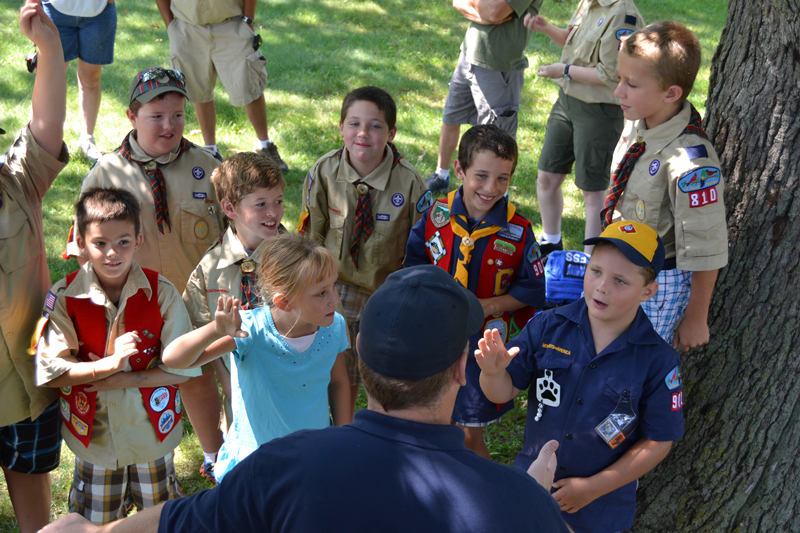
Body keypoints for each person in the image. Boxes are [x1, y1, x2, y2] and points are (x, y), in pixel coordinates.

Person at [42, 265, 571, 533]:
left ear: (358, 352)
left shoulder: (285, 467)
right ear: (462, 368)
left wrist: (94, 529)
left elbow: (184, 521)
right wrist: (530, 500)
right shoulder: (520, 505)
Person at [63, 67, 229, 476]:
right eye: (157, 116)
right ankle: (143, 461)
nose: (169, 125)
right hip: (141, 301)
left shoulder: (206, 166)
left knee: (203, 375)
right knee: (149, 379)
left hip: (201, 297)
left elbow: (232, 231)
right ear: (131, 117)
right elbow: (86, 246)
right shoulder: (106, 173)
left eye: (178, 115)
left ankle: (216, 454)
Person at [477, 221, 684, 533]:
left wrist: (594, 488)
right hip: (532, 482)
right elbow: (501, 393)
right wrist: (492, 373)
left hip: (599, 507)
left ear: (648, 291)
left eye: (620, 281)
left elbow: (658, 442)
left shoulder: (659, 360)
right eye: (595, 271)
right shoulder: (547, 325)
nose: (601, 286)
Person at [35, 188, 200, 524]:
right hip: (95, 441)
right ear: (80, 242)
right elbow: (51, 370)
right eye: (100, 243)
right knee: (95, 522)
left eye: (124, 242)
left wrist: (122, 378)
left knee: (159, 520)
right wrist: (106, 365)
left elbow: (183, 369)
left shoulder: (161, 293)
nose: (113, 253)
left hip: (151, 436)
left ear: (139, 239)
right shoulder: (63, 297)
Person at [162, 232, 351, 482]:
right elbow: (174, 359)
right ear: (284, 302)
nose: (334, 300)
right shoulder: (249, 330)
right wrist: (215, 330)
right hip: (253, 466)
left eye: (333, 286)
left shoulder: (334, 326)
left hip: (311, 460)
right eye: (321, 293)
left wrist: (342, 440)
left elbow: (338, 382)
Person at [405, 124, 546, 458]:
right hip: (435, 337)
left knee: (468, 433)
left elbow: (533, 289)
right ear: (459, 169)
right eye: (481, 175)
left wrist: (487, 306)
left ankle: (477, 491)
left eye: (502, 178)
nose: (491, 187)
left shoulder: (518, 232)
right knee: (432, 422)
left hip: (481, 346)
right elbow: (413, 265)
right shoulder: (435, 217)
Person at [297, 86, 429, 414]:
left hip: (386, 292)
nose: (363, 134)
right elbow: (310, 239)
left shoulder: (410, 184)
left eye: (375, 126)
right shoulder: (323, 173)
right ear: (340, 127)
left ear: (392, 133)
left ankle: (376, 425)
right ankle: (338, 426)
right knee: (336, 369)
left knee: (381, 374)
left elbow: (422, 251)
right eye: (354, 124)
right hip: (333, 288)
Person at [604, 21, 728, 350]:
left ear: (670, 93)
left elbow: (706, 247)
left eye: (631, 84)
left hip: (658, 284)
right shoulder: (639, 123)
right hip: (622, 261)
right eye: (620, 79)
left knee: (637, 369)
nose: (619, 92)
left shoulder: (690, 164)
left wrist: (696, 318)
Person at [0, 3, 67, 532]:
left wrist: (47, 44)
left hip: (28, 389)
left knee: (37, 524)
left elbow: (46, 121)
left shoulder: (17, 183)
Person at [181, 151, 287, 483]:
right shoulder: (207, 272)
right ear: (229, 209)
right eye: (260, 204)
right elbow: (201, 340)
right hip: (239, 402)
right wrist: (231, 387)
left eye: (279, 201)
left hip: (293, 392)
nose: (273, 213)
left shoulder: (300, 259)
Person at [524, 0, 643, 254]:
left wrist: (564, 70)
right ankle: (551, 242)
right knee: (547, 175)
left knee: (592, 192)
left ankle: (591, 264)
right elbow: (574, 43)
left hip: (598, 112)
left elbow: (610, 75)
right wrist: (546, 28)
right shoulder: (589, 3)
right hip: (566, 102)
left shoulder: (623, 15)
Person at [426, 0, 543, 194]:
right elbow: (459, 2)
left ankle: (497, 194)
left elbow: (495, 12)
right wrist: (483, 14)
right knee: (451, 117)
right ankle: (441, 175)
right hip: (468, 55)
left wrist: (482, 11)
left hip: (499, 66)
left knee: (497, 137)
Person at [155, 0, 288, 170]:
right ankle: (210, 151)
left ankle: (265, 145)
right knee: (198, 90)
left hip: (231, 25)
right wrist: (170, 25)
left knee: (249, 86)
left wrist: (248, 21)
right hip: (187, 28)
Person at [41, 0, 117, 162]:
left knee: (91, 78)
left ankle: (87, 139)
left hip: (98, 12)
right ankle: (44, 141)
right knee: (51, 79)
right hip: (56, 10)